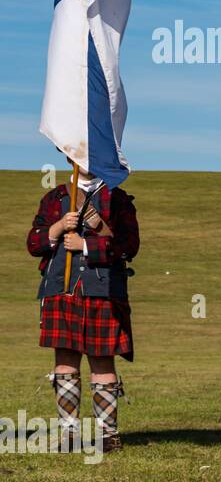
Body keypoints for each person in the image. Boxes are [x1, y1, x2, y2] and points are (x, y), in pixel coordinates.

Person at [27, 159, 139, 452]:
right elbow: (33, 242)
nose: (83, 161)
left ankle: (106, 436)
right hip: (59, 288)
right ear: (69, 158)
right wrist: (56, 228)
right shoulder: (56, 198)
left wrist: (87, 244)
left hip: (102, 289)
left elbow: (129, 245)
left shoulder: (117, 199)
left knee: (102, 358)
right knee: (65, 359)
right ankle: (69, 435)